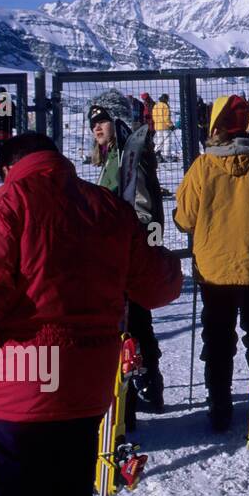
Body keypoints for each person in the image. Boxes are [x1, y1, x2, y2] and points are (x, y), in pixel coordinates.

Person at [0, 132, 182, 496]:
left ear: (10, 166)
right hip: (89, 381)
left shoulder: (8, 204)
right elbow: (157, 287)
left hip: (25, 378)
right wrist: (165, 260)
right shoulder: (106, 207)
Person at [174, 95, 249, 432]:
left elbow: (184, 218)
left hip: (215, 271)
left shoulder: (202, 167)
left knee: (218, 339)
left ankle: (219, 407)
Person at [87, 89, 168, 417]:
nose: (96, 126)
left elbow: (145, 209)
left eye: (102, 119)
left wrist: (143, 251)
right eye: (92, 122)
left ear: (117, 119)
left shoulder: (131, 156)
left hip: (128, 257)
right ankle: (137, 395)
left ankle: (143, 393)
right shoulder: (113, 157)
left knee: (134, 326)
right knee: (132, 326)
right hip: (116, 257)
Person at [151, 93, 177, 162]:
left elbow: (154, 117)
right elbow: (166, 118)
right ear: (165, 99)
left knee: (160, 140)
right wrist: (171, 125)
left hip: (157, 125)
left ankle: (155, 153)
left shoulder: (156, 105)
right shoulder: (165, 106)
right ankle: (167, 155)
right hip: (165, 126)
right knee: (167, 141)